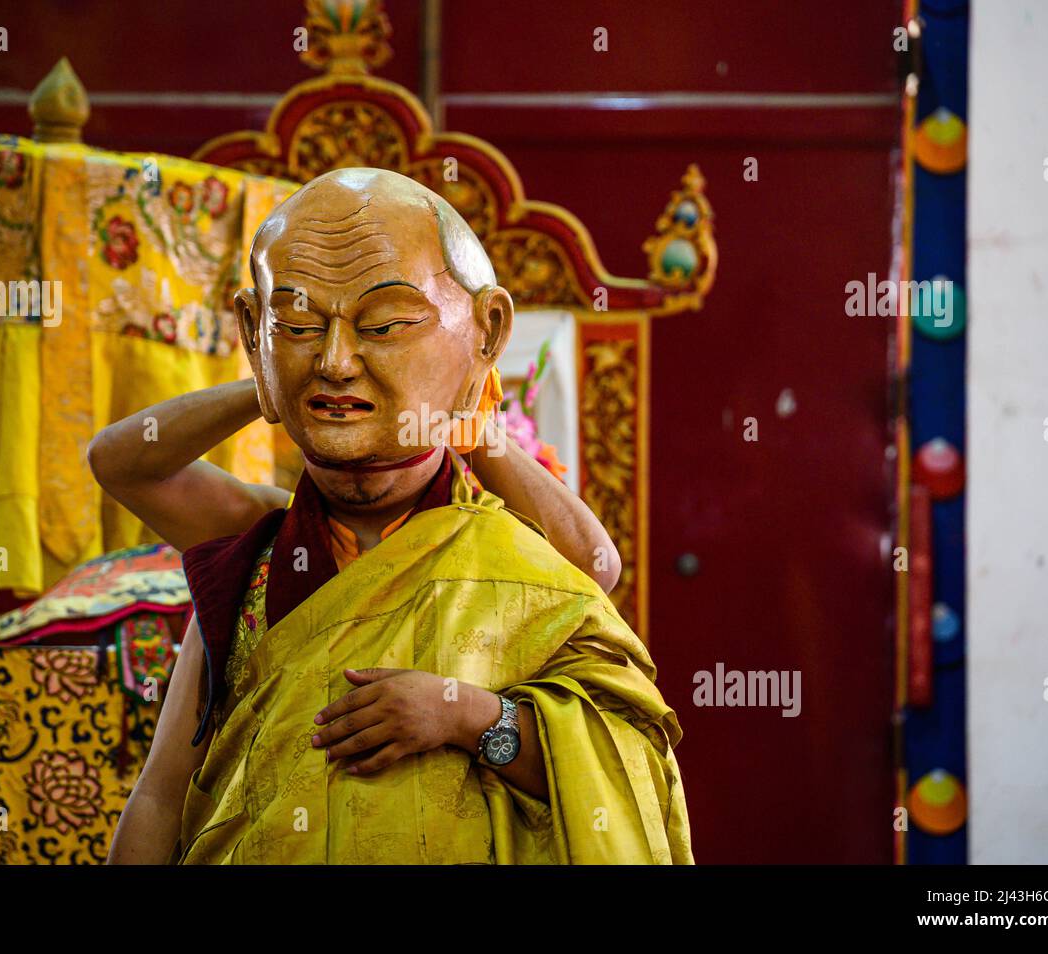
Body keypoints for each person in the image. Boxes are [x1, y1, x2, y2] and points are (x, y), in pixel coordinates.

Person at [97, 167, 692, 864]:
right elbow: (161, 796)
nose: (336, 362)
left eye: (382, 325)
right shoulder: (255, 563)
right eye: (297, 323)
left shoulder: (516, 565)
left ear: (488, 330)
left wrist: (466, 716)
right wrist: (270, 375)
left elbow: (621, 771)